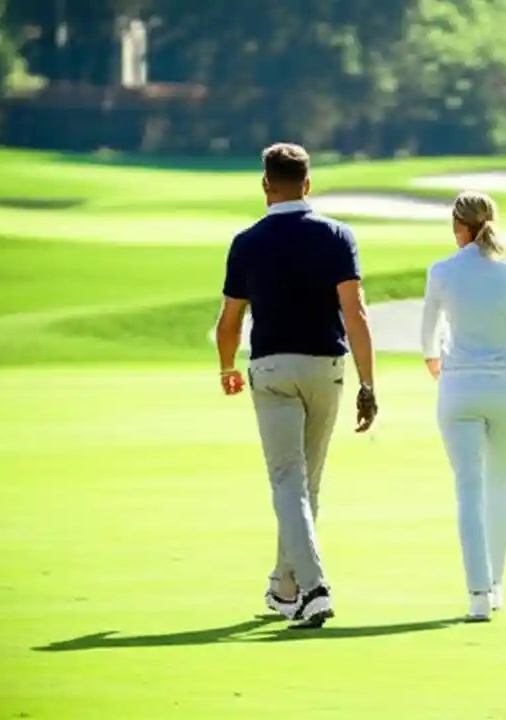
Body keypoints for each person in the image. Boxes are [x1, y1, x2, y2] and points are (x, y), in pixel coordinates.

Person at [215, 142, 378, 629]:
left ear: (266, 184)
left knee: (289, 482)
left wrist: (226, 367)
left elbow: (229, 321)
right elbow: (356, 313)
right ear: (308, 184)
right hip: (326, 367)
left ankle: (313, 587)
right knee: (306, 483)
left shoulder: (247, 241)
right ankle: (285, 586)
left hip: (271, 371)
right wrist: (368, 384)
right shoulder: (336, 236)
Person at [421, 190, 506, 622]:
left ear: (459, 226)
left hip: (458, 389)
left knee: (468, 491)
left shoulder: (441, 271)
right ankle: (496, 587)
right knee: (498, 485)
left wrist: (440, 361)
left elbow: (427, 339)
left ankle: (477, 597)